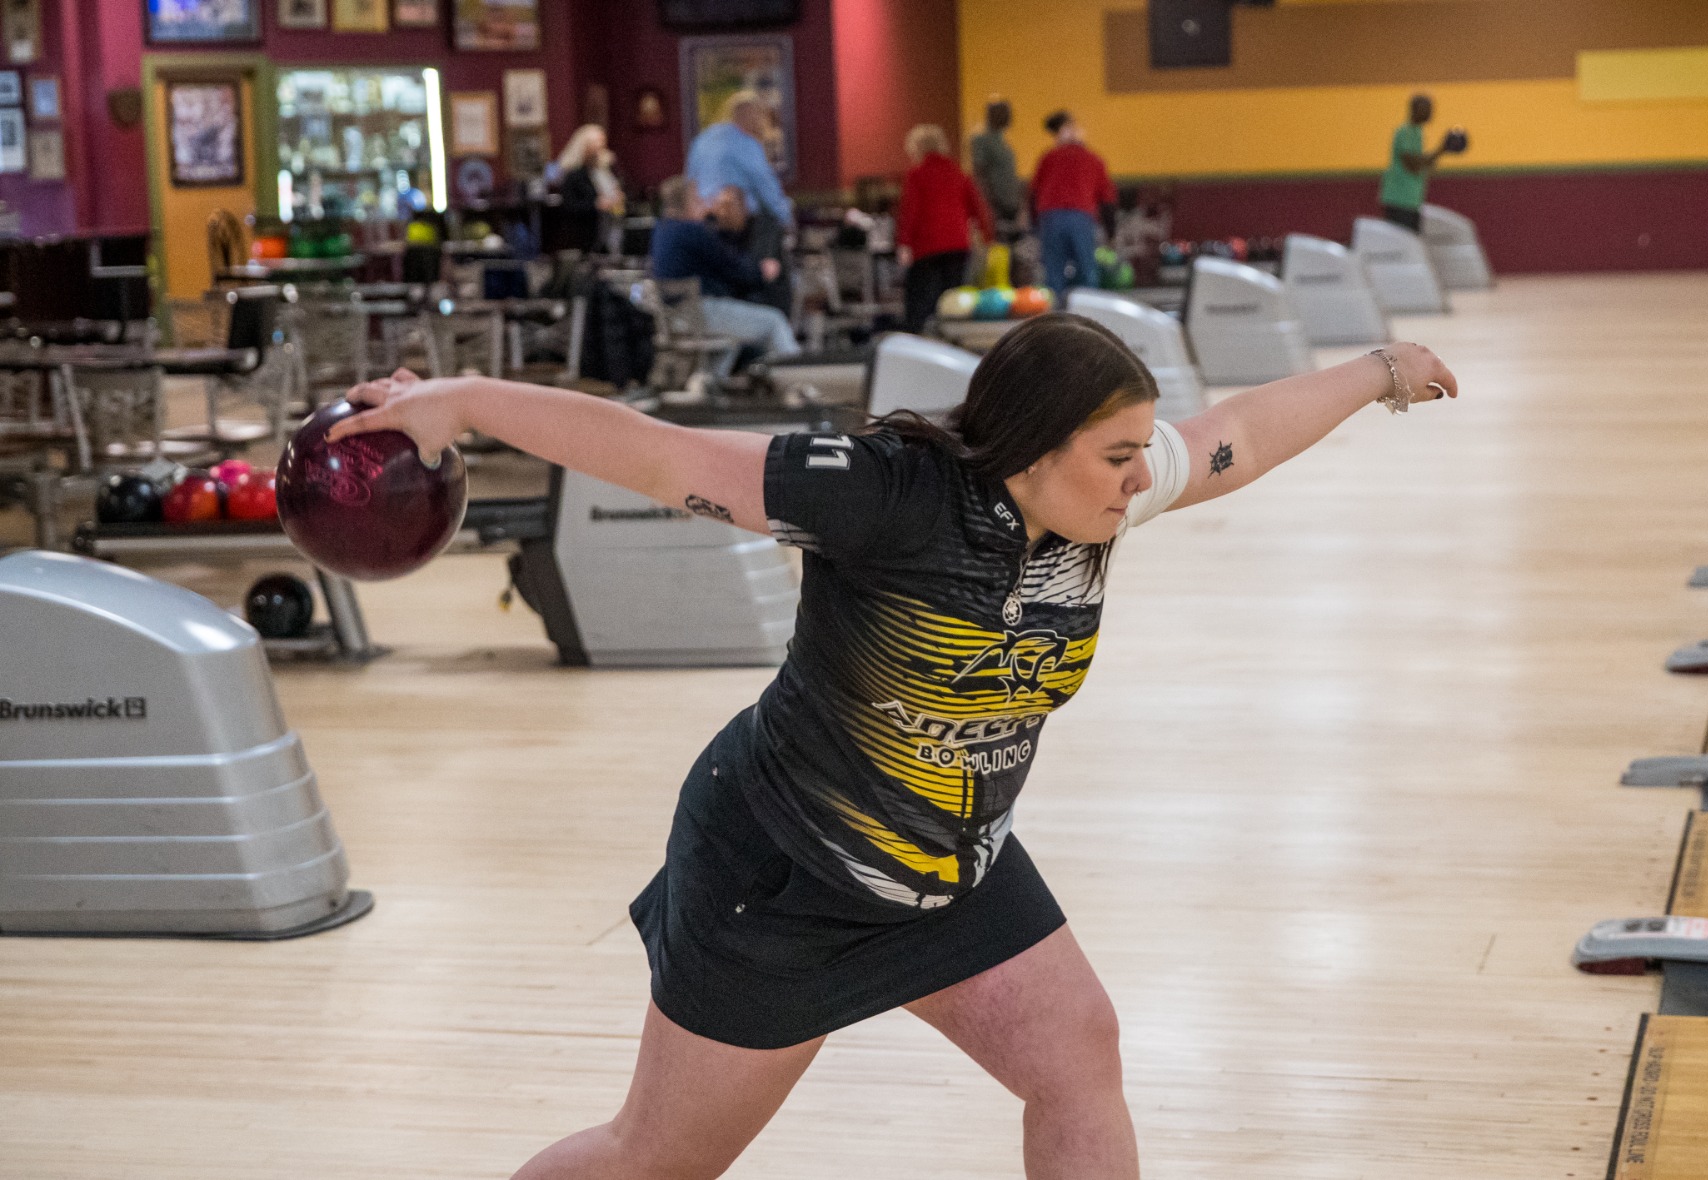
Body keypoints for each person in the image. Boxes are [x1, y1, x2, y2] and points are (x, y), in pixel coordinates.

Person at [326, 316, 1458, 1180]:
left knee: (1075, 1053)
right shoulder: (882, 497)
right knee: (653, 1160)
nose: (1140, 473)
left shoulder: (1090, 503)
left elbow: (1236, 438)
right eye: (1116, 454)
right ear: (1034, 445)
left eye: (1138, 454)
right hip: (780, 876)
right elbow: (656, 454)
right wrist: (459, 401)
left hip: (952, 864)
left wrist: (1375, 374)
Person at [649, 176, 799, 369]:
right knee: (774, 321)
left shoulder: (662, 230)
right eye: (699, 198)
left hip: (674, 317)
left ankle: (711, 386)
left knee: (730, 342)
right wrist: (762, 272)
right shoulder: (693, 231)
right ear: (689, 201)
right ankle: (799, 380)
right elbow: (735, 269)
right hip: (699, 314)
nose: (706, 204)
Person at [896, 124, 993, 332]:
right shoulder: (959, 173)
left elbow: (910, 211)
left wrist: (904, 243)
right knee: (952, 298)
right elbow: (979, 209)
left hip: (927, 246)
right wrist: (986, 237)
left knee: (919, 298)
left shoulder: (917, 174)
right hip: (958, 245)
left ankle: (915, 340)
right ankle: (951, 338)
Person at [1031, 110, 1117, 304]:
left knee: (1053, 276)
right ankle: (1089, 317)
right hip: (1081, 217)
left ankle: (1054, 322)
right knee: (1087, 272)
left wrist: (1035, 226)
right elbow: (1108, 200)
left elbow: (1033, 194)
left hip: (1050, 217)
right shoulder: (1094, 159)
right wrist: (1111, 233)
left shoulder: (1048, 158)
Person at [685, 90, 795, 229]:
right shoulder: (746, 142)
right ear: (748, 113)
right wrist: (785, 216)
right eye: (759, 114)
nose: (762, 122)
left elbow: (690, 182)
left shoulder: (704, 138)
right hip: (735, 223)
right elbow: (764, 183)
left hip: (701, 220)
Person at [1379, 93, 1464, 234]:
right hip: (1398, 199)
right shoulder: (1404, 132)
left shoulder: (1417, 133)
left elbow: (1422, 163)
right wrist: (1441, 149)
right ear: (1414, 109)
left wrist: (1441, 152)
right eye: (1426, 108)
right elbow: (1413, 165)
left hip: (1412, 200)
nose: (1430, 112)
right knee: (1403, 244)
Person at [710, 184, 792, 318]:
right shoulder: (718, 232)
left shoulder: (765, 228)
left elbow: (766, 270)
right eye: (719, 206)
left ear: (743, 207)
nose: (723, 212)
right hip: (733, 303)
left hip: (765, 302)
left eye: (728, 206)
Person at [967, 96, 1023, 239]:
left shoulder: (1002, 140)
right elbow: (979, 171)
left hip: (1011, 201)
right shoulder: (982, 140)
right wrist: (989, 203)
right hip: (996, 203)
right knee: (999, 248)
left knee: (1012, 247)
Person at [554, 124, 614, 253]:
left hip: (603, 232)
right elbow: (568, 205)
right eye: (596, 143)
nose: (601, 147)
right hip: (581, 236)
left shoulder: (602, 171)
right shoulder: (573, 174)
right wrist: (595, 205)